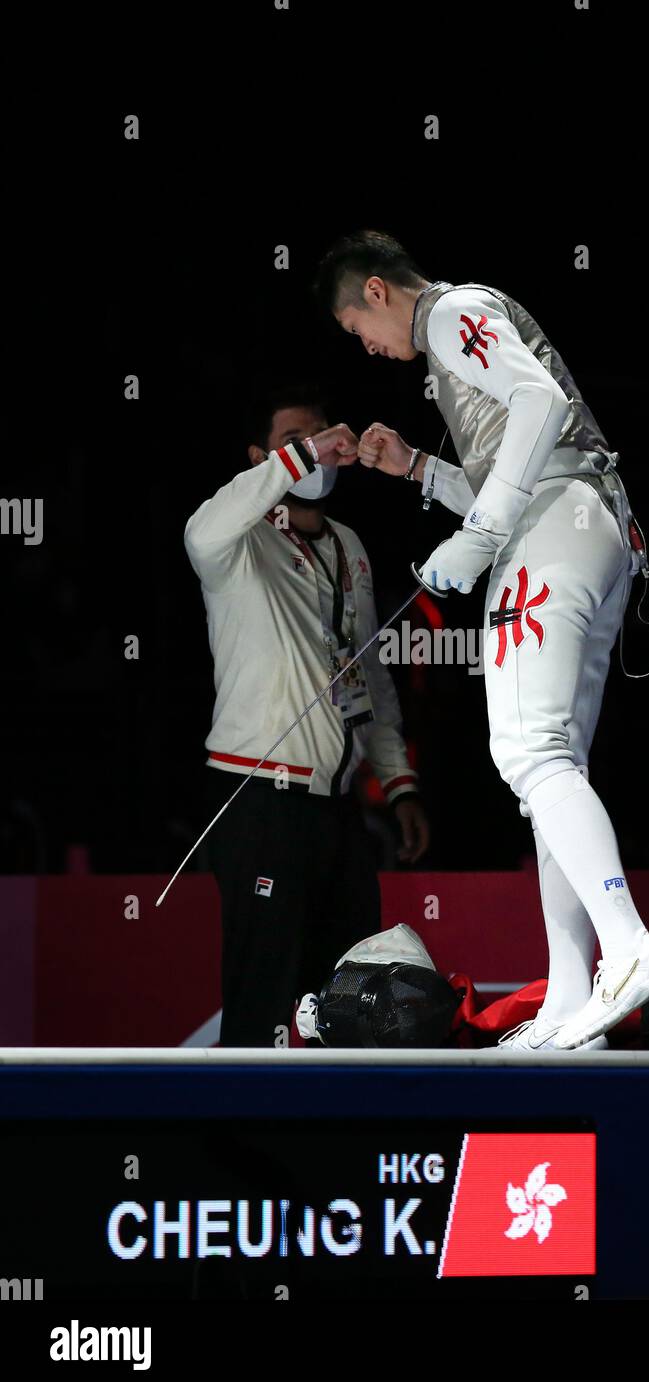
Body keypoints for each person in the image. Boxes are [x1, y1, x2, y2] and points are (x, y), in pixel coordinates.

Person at [314, 231, 649, 1052]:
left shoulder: (452, 310)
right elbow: (520, 455)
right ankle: (570, 995)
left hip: (556, 530)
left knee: (527, 751)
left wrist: (479, 536)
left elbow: (541, 408)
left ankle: (628, 945)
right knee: (552, 767)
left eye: (356, 329)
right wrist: (417, 468)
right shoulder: (457, 346)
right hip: (589, 527)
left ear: (377, 291)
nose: (369, 350)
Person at [184, 384, 430, 1047]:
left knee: (349, 995)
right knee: (263, 995)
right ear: (260, 456)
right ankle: (240, 1135)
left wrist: (398, 781)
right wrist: (293, 461)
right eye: (295, 442)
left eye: (323, 437)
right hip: (259, 799)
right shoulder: (238, 542)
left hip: (337, 806)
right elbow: (200, 531)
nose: (316, 453)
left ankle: (335, 1134)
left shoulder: (349, 544)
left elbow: (367, 672)